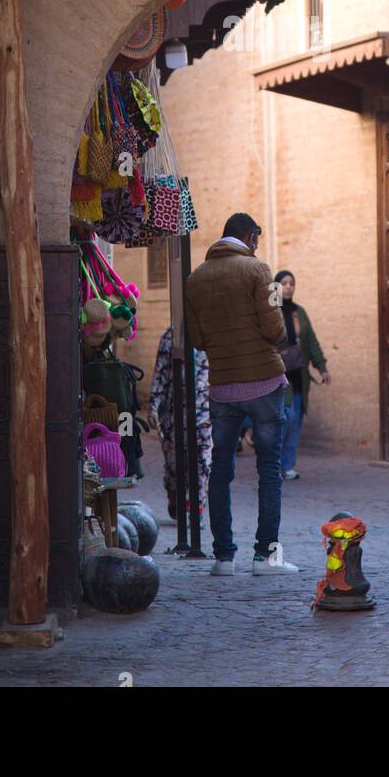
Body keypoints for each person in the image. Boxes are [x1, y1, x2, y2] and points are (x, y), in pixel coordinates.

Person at [185, 212, 299, 577]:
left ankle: (223, 558)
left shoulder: (195, 279)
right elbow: (275, 328)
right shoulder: (258, 271)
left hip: (222, 386)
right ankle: (265, 557)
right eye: (256, 241)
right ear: (250, 237)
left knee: (220, 469)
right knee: (268, 469)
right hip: (264, 382)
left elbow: (198, 339)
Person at [148, 326, 212, 521]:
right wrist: (153, 405)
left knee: (202, 460)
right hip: (173, 412)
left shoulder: (210, 334)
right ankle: (176, 496)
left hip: (204, 412)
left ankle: (196, 507)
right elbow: (161, 372)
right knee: (175, 462)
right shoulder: (170, 337)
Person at [273, 270, 331, 480]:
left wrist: (322, 367)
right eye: (284, 283)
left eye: (292, 283)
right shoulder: (270, 311)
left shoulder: (300, 313)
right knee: (284, 421)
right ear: (276, 286)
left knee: (295, 422)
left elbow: (311, 341)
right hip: (278, 378)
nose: (288, 287)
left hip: (299, 376)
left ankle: (287, 466)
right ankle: (274, 465)